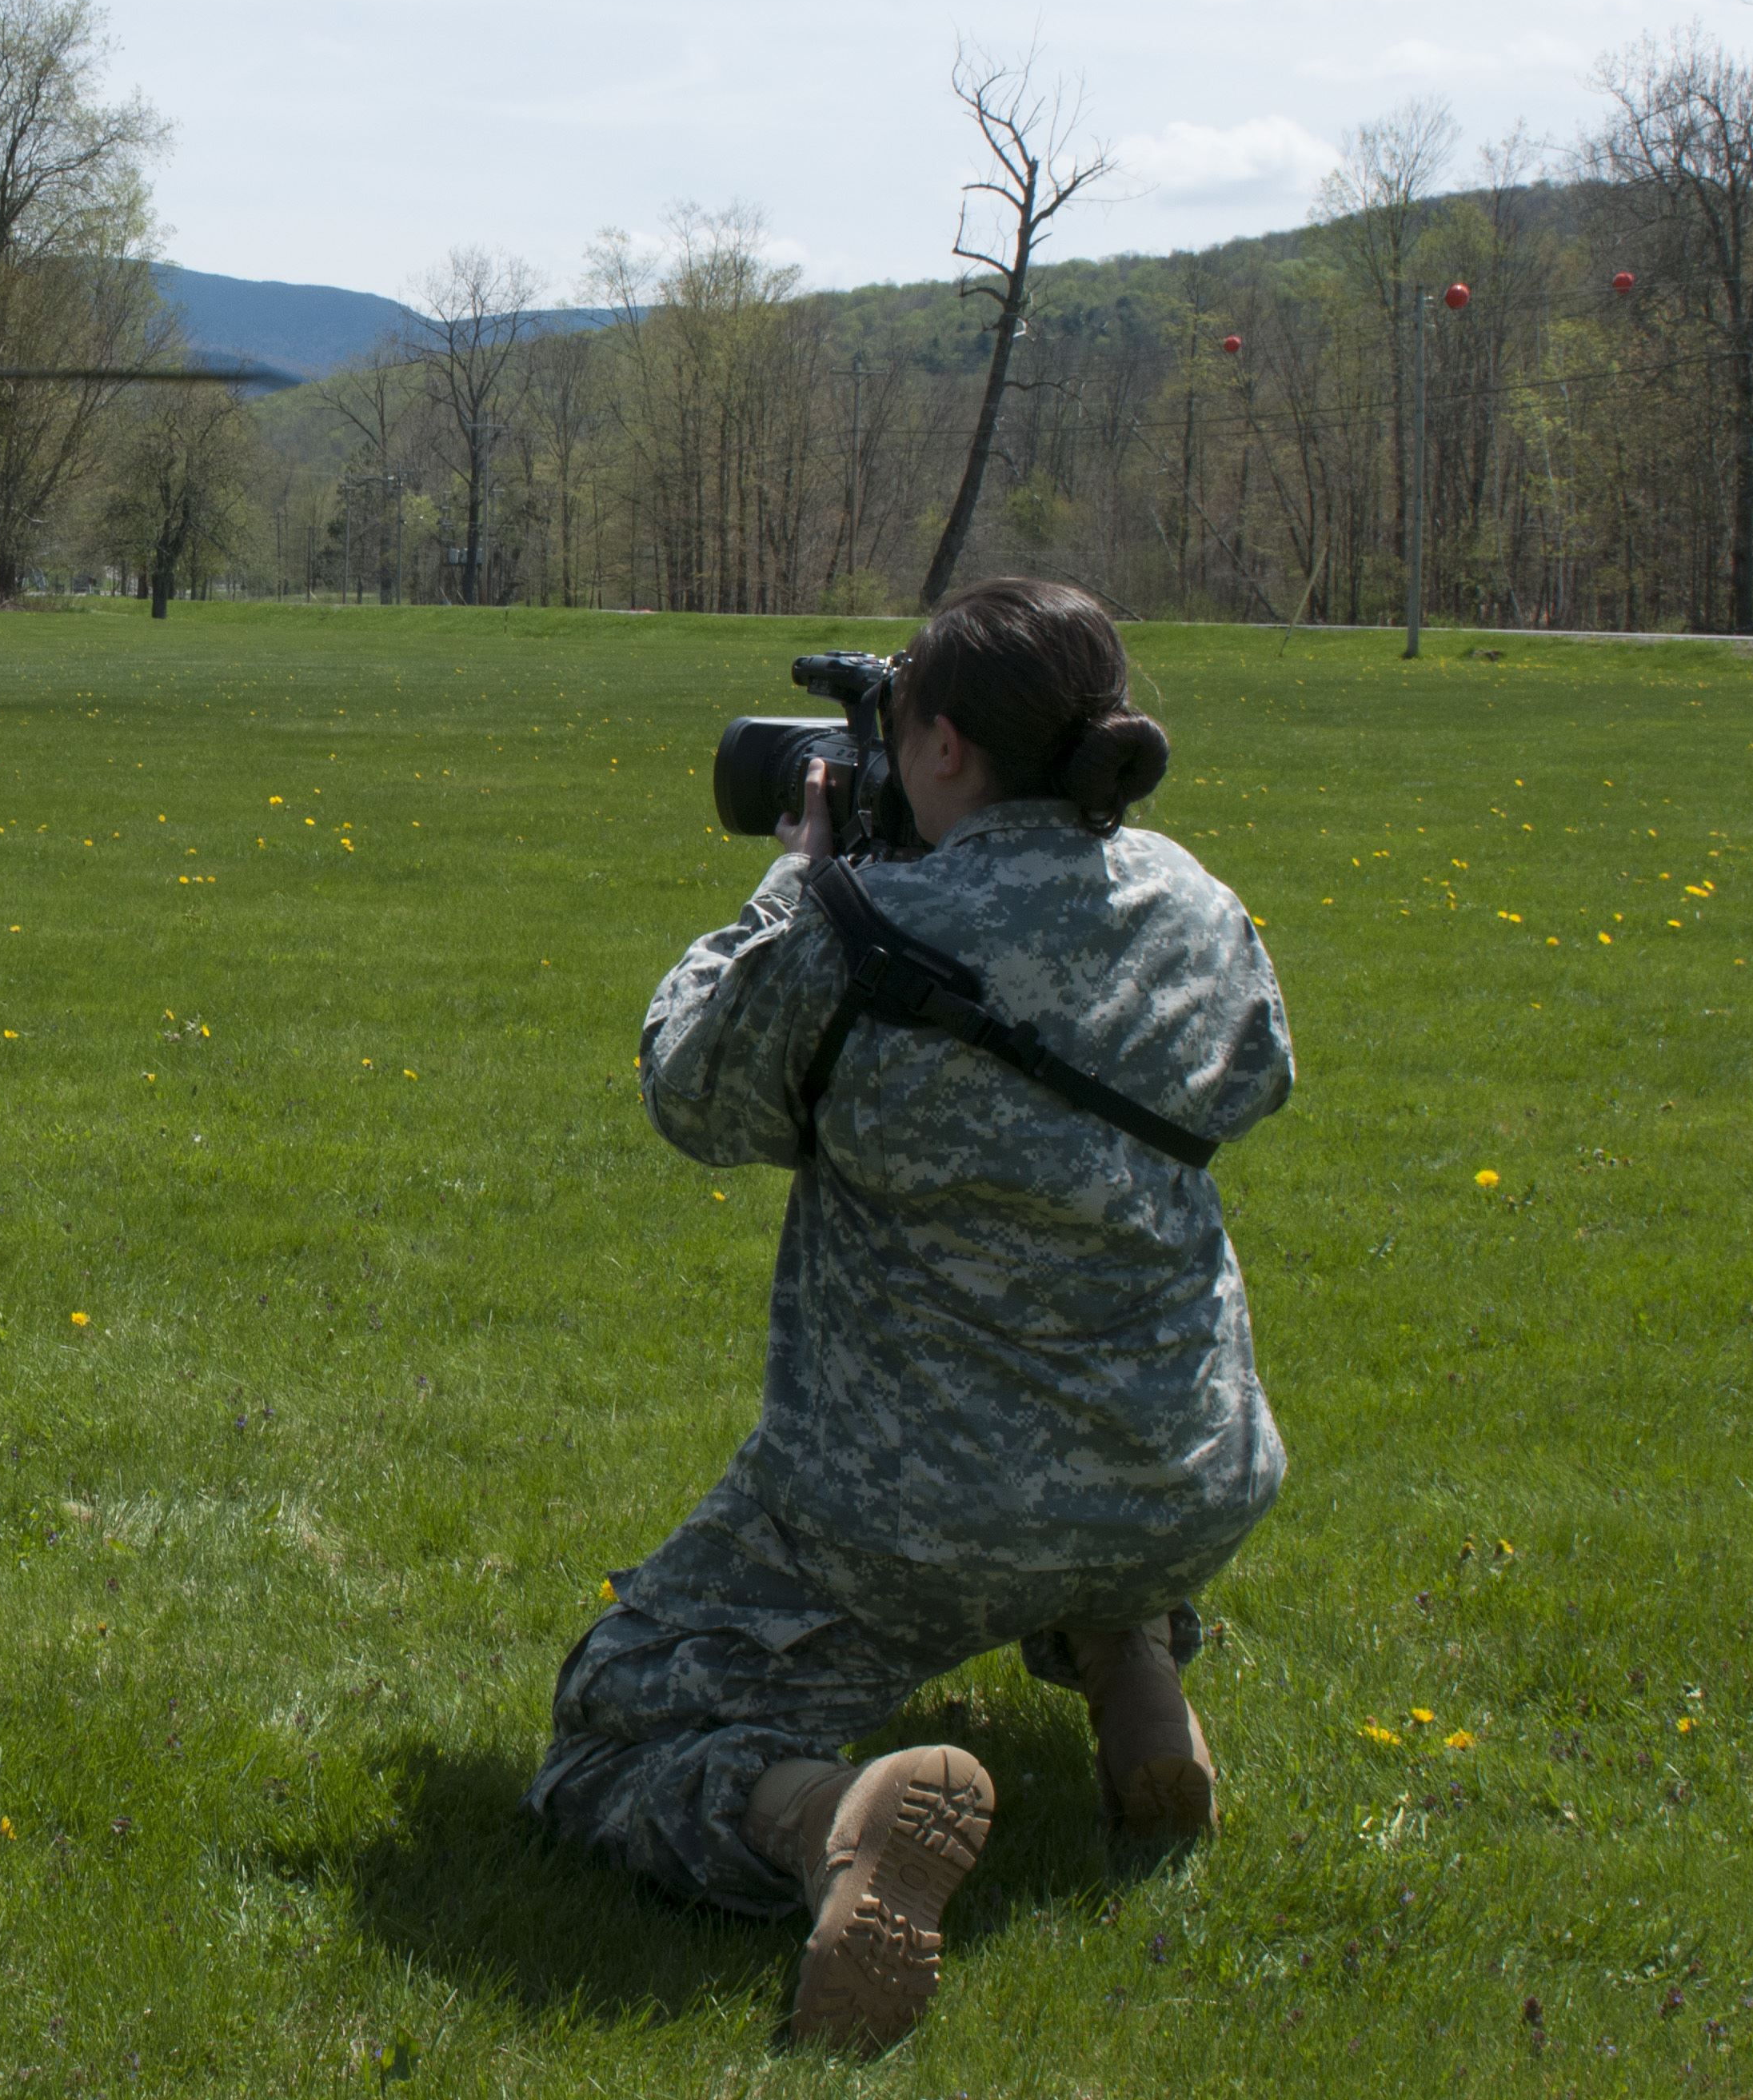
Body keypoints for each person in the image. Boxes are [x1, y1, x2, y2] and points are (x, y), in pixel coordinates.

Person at [528, 577, 1294, 2054]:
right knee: (1076, 1439)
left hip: (914, 1509)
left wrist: (791, 881)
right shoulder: (1193, 899)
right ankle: (1137, 1685)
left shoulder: (856, 927)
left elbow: (691, 1088)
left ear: (937, 745)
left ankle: (831, 1823)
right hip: (1181, 1472)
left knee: (614, 1716)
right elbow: (1250, 1081)